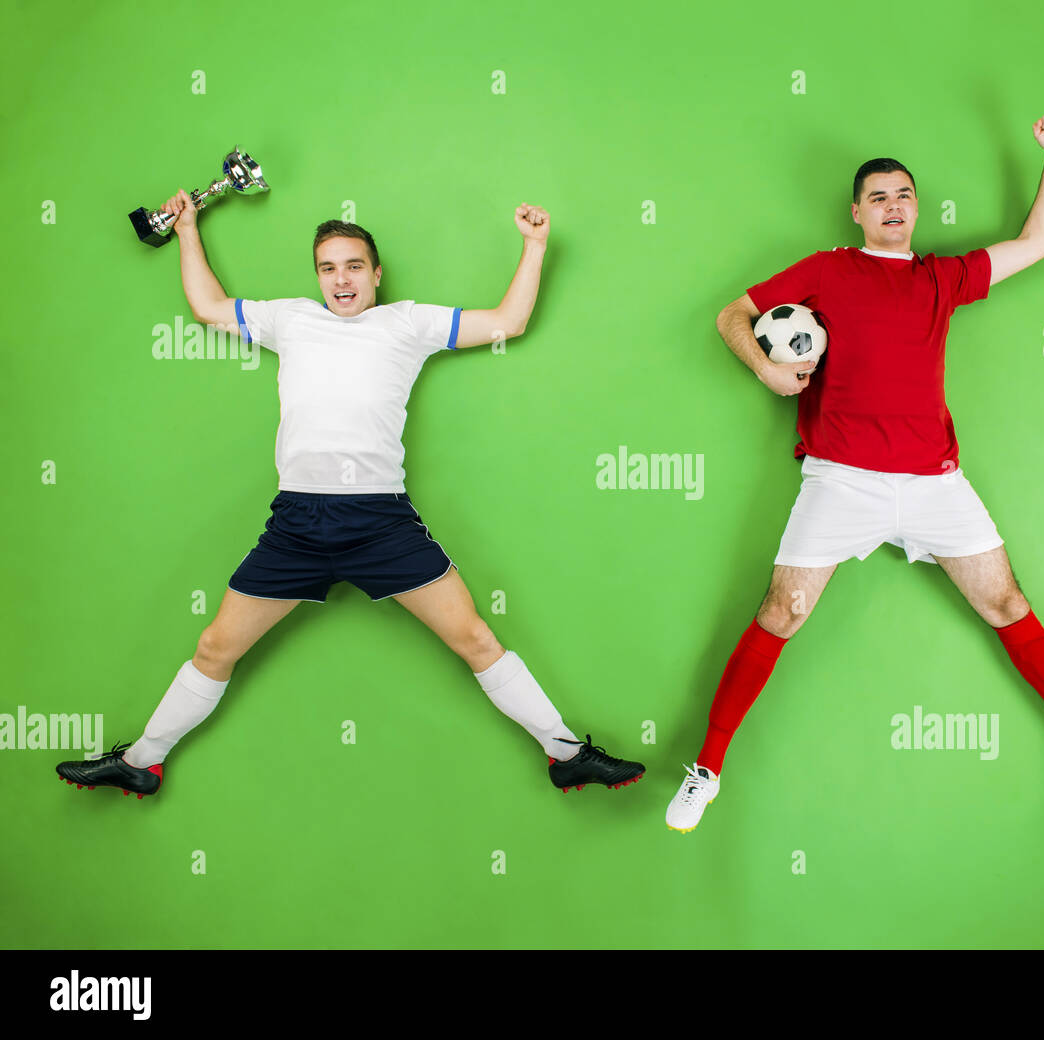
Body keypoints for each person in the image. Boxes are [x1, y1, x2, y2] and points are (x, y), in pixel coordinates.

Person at [56, 193, 644, 799]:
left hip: (380, 522)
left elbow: (507, 322)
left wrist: (535, 246)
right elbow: (207, 306)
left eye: (354, 266)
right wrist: (186, 229)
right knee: (214, 645)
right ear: (317, 276)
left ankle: (566, 753)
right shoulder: (289, 319)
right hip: (296, 525)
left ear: (376, 273)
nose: (342, 279)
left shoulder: (408, 322)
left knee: (475, 638)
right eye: (329, 267)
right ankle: (140, 761)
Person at [666, 116, 1044, 832]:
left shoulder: (941, 277)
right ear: (858, 212)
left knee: (1008, 606)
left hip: (934, 483)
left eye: (904, 194)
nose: (893, 204)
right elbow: (732, 313)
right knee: (783, 611)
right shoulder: (828, 269)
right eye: (878, 196)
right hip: (841, 479)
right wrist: (767, 367)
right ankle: (706, 770)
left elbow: (1037, 243)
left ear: (914, 208)